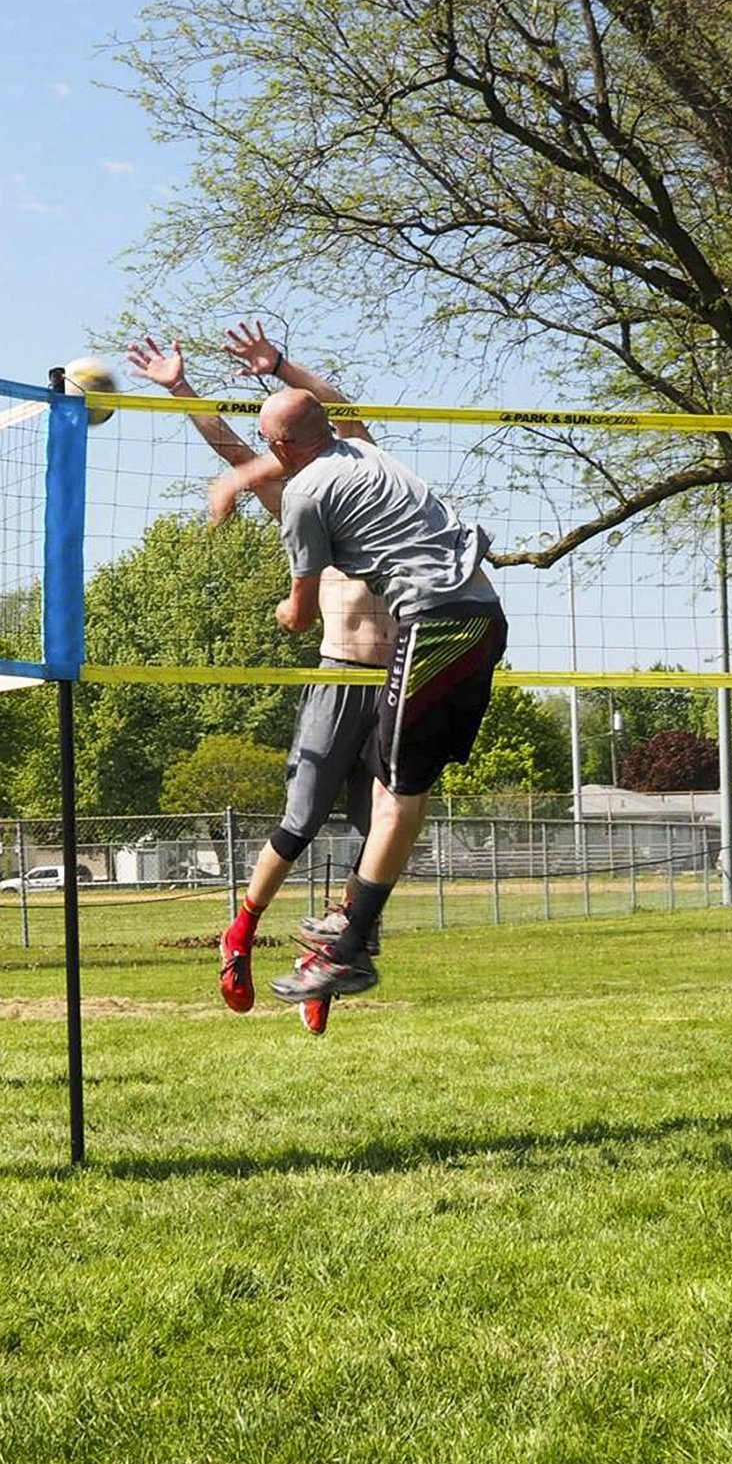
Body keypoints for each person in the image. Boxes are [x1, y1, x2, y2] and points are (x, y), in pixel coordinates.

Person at [126, 321, 393, 1034]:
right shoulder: (301, 503)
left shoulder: (367, 473)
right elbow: (234, 452)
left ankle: (325, 963)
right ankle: (241, 930)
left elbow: (336, 407)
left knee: (380, 836)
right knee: (301, 822)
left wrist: (280, 365)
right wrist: (182, 388)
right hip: (342, 673)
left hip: (399, 679)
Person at [206, 389, 505, 1005]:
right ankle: (301, 932)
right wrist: (261, 385)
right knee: (379, 797)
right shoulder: (368, 458)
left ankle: (349, 953)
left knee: (392, 801)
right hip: (477, 620)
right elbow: (277, 437)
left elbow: (299, 611)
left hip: (426, 631)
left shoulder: (307, 496)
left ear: (281, 445)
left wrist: (286, 611)